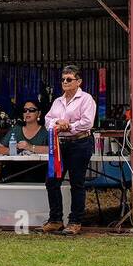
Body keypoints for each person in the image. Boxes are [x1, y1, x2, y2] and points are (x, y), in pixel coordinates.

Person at [43, 64, 96, 235]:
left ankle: (75, 221)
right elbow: (47, 120)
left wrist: (68, 126)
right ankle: (55, 219)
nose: (65, 82)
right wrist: (58, 123)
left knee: (76, 182)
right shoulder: (58, 101)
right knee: (52, 181)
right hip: (60, 144)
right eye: (63, 79)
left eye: (69, 79)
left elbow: (87, 122)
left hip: (79, 143)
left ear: (78, 81)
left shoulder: (86, 99)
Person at [0, 101, 50, 182]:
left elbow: (52, 150)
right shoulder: (16, 129)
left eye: (31, 110)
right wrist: (13, 150)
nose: (27, 112)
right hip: (15, 170)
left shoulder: (46, 130)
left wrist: (30, 147)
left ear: (39, 113)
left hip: (37, 170)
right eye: (25, 110)